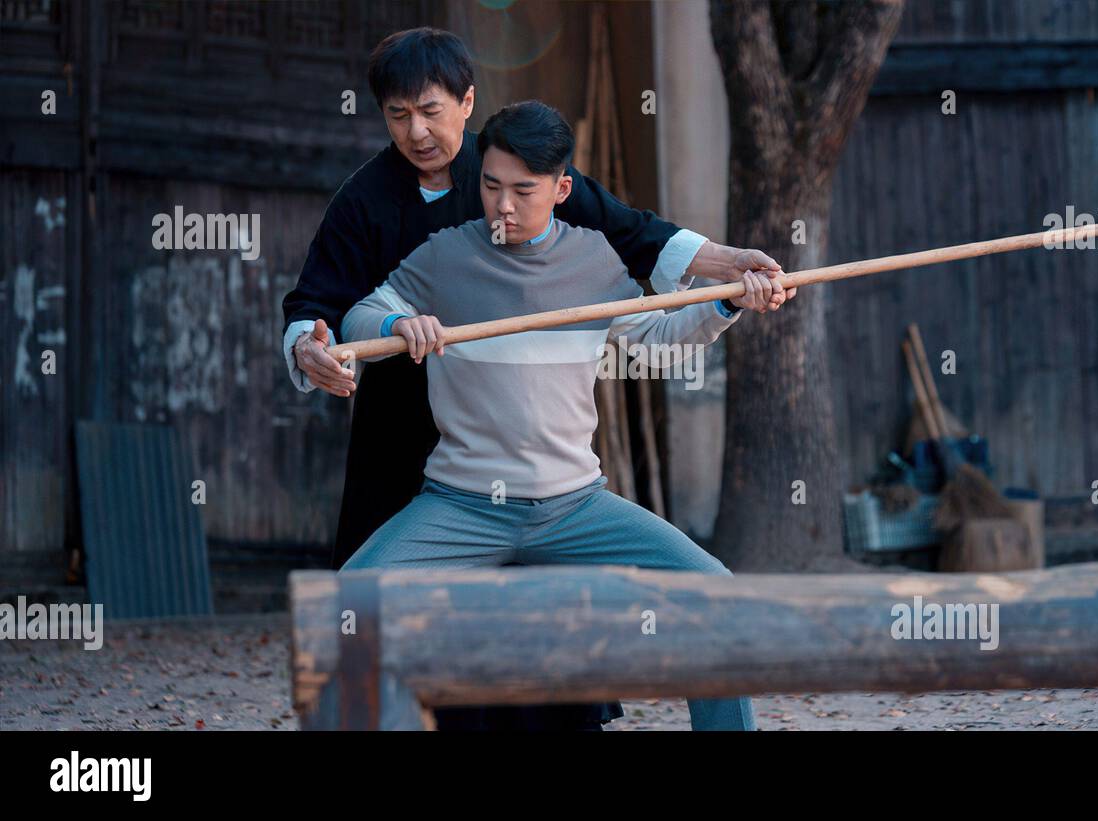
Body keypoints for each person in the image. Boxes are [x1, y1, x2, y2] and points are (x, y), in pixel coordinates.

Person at [281, 27, 790, 730]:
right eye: (398, 114)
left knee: (705, 594)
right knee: (355, 617)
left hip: (569, 499)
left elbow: (651, 283)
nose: (504, 208)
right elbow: (340, 310)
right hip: (439, 477)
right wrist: (371, 333)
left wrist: (731, 284)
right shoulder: (422, 241)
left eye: (430, 110)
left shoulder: (588, 252)